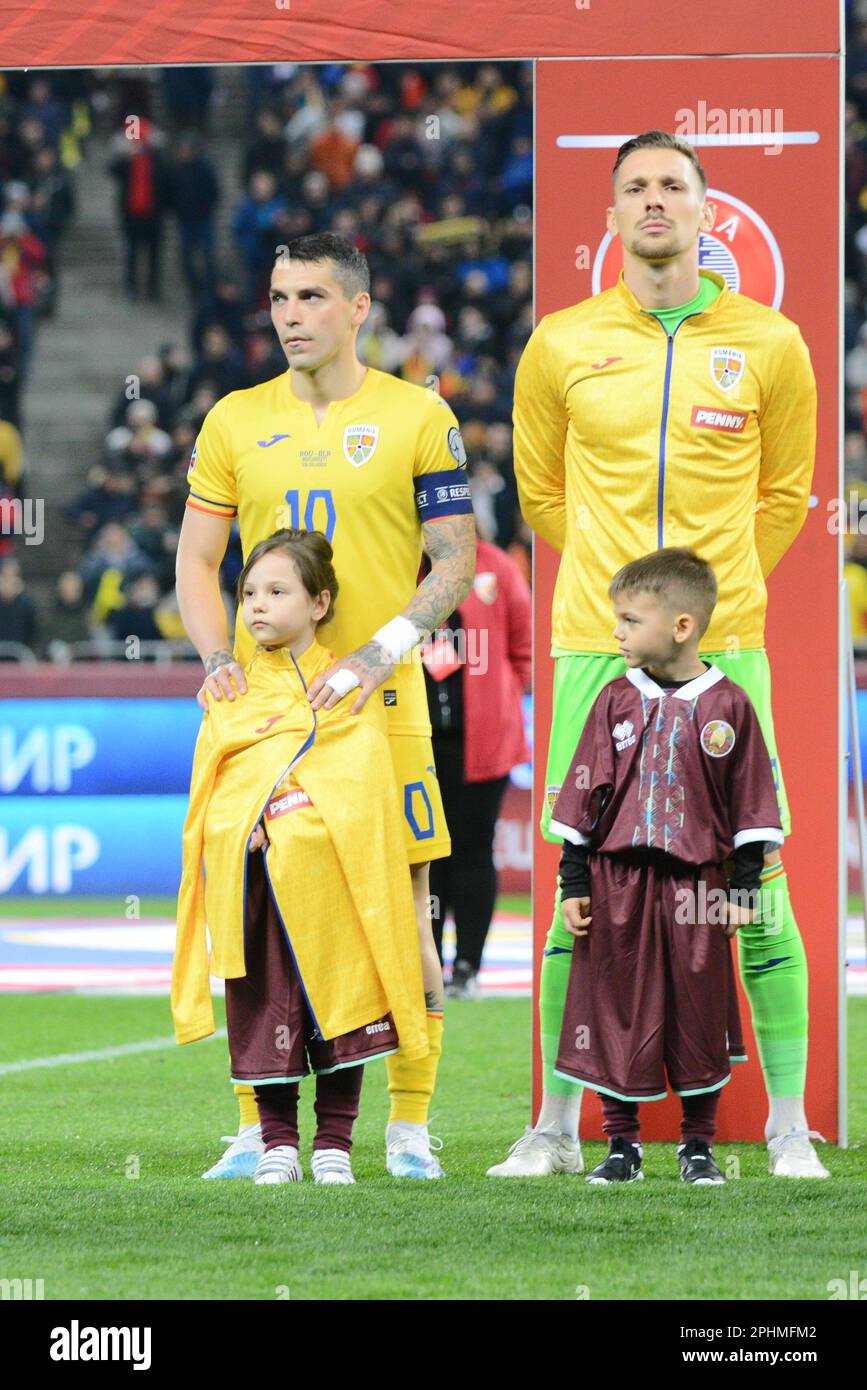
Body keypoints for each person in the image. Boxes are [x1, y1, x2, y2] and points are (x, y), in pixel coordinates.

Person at [490, 129, 828, 1179]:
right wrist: (627, 604)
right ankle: (550, 1125)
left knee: (751, 885)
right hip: (595, 645)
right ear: (610, 216)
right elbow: (541, 493)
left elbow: (785, 498)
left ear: (704, 211)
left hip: (728, 650)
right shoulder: (560, 342)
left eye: (673, 186)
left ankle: (786, 1127)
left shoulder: (772, 342)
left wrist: (699, 605)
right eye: (633, 186)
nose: (653, 202)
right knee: (576, 889)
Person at [175, 233, 476, 1180]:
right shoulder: (233, 419)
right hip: (264, 718)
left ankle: (410, 1126)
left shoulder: (417, 413)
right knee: (250, 904)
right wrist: (216, 654)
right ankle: (252, 1124)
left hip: (379, 709)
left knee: (408, 917)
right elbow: (195, 561)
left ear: (358, 307)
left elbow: (456, 557)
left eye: (310, 296)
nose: (290, 314)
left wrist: (381, 653)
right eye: (277, 297)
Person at [172, 528, 428, 1185]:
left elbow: (362, 792)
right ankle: (278, 1144)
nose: (257, 605)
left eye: (277, 591)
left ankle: (335, 1147)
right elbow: (212, 801)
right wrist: (242, 826)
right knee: (265, 1011)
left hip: (338, 887)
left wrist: (299, 818)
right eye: (248, 592)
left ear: (318, 603)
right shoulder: (229, 696)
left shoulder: (348, 687)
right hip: (260, 890)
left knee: (345, 1012)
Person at [551, 549, 781, 1184]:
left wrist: (742, 889)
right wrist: (574, 880)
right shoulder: (614, 700)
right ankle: (620, 1146)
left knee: (698, 1013)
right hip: (616, 884)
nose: (617, 633)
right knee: (615, 1007)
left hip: (699, 887)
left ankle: (697, 1146)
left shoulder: (730, 706)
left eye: (629, 620)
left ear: (681, 626)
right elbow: (584, 793)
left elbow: (751, 805)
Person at [423, 527, 531, 996]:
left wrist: (499, 698)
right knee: (425, 858)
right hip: (417, 745)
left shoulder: (496, 566)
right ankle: (426, 966)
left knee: (472, 850)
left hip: (483, 743)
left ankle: (467, 966)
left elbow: (523, 649)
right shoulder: (401, 568)